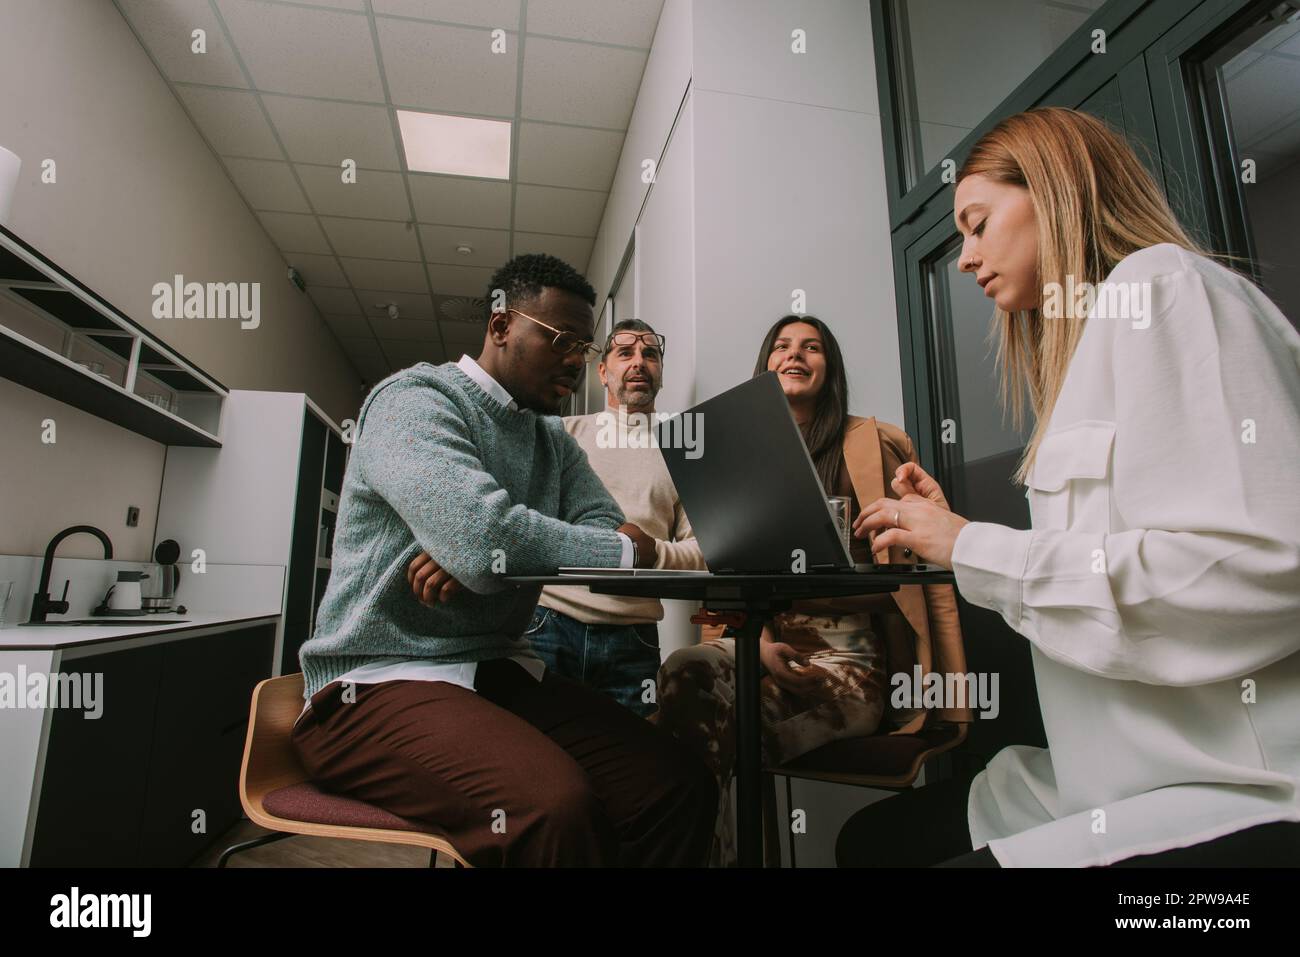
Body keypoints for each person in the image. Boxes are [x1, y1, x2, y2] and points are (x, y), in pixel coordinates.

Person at [838, 107, 1300, 867]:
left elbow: (1261, 568)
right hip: (1100, 777)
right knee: (871, 842)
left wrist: (973, 547)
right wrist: (961, 540)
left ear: (1052, 190)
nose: (964, 258)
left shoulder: (1164, 287)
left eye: (978, 223)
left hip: (1223, 788)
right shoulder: (1096, 349)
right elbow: (1094, 575)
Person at [292, 253, 716, 867]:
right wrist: (490, 544)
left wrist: (495, 550)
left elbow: (568, 525)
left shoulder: (551, 440)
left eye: (583, 343)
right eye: (560, 339)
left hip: (493, 672)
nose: (576, 359)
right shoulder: (414, 400)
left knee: (677, 782)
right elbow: (492, 536)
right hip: (375, 685)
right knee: (553, 805)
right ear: (500, 326)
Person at [655, 314, 967, 866]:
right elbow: (743, 573)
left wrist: (813, 590)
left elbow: (905, 585)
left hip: (852, 665)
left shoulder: (872, 445)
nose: (794, 355)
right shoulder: (741, 458)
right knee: (683, 671)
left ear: (831, 368)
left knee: (699, 740)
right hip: (769, 644)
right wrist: (765, 640)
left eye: (811, 347)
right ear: (765, 364)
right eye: (781, 346)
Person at [521, 318, 703, 716]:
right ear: (603, 372)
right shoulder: (562, 434)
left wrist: (652, 552)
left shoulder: (684, 448)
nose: (639, 361)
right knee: (543, 759)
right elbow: (516, 517)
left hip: (632, 641)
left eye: (650, 354)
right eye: (625, 352)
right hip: (547, 625)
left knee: (633, 770)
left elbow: (705, 550)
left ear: (660, 372)